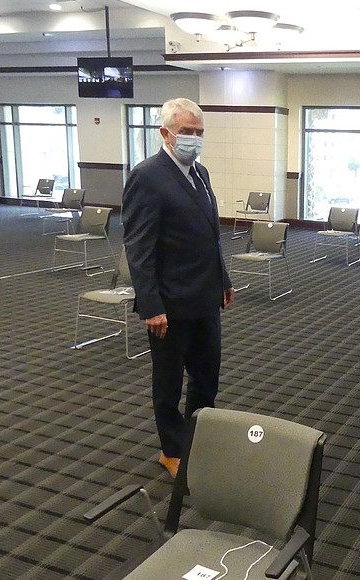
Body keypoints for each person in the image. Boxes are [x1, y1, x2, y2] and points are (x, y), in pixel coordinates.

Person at [122, 97, 234, 479]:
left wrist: (223, 279)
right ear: (166, 133)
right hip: (169, 305)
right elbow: (138, 247)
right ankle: (172, 449)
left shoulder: (200, 173)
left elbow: (210, 235)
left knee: (207, 377)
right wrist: (151, 305)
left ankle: (198, 437)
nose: (194, 139)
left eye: (199, 133)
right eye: (187, 132)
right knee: (169, 382)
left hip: (205, 298)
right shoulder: (147, 176)